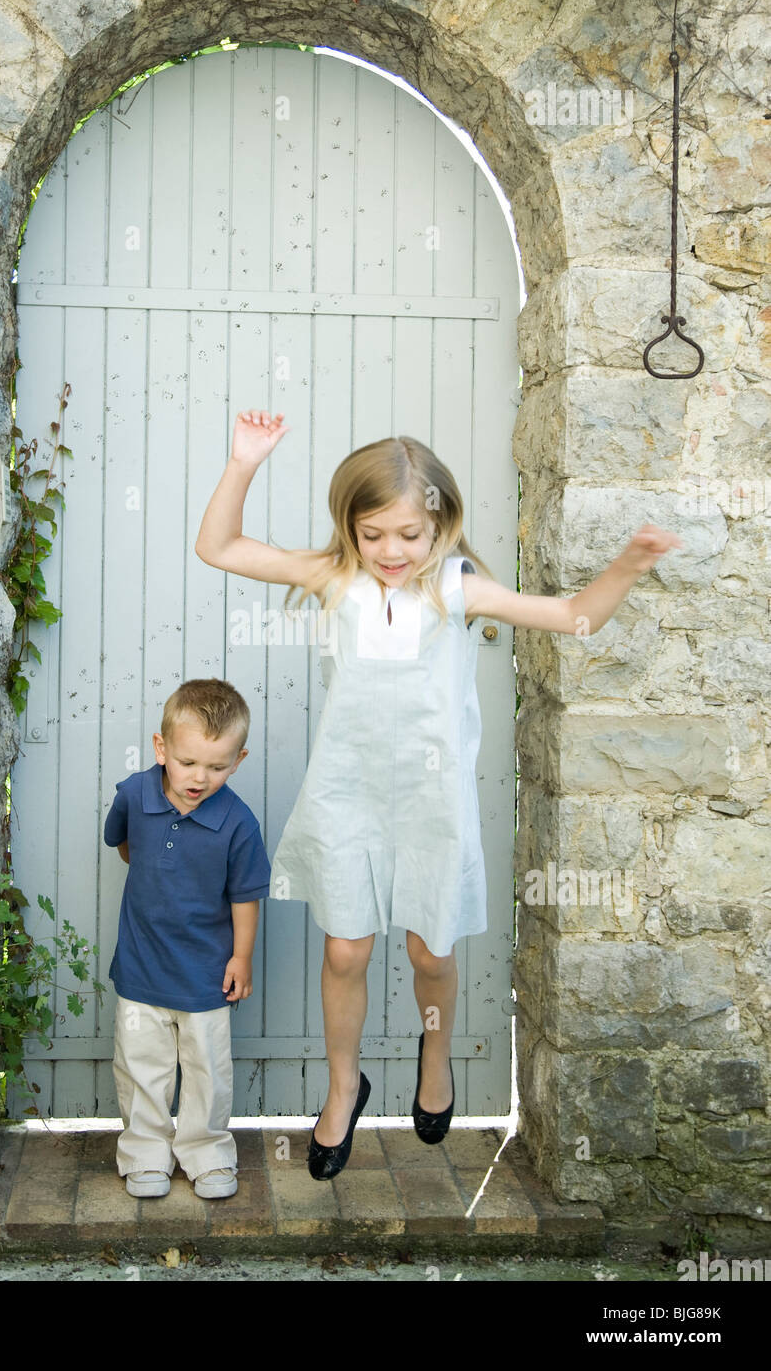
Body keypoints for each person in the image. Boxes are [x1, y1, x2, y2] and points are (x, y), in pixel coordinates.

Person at [195, 409, 682, 1180]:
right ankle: (343, 1084)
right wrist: (244, 461)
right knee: (347, 949)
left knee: (429, 950)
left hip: (430, 804)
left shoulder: (458, 590)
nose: (391, 551)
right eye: (373, 534)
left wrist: (626, 563)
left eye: (409, 535)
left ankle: (435, 1051)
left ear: (441, 527)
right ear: (351, 532)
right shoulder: (336, 579)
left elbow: (572, 617)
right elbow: (217, 546)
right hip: (349, 795)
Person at [103, 678, 271, 1199]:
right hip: (141, 968)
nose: (200, 778)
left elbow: (246, 896)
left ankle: (207, 1153)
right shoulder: (134, 793)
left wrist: (241, 957)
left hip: (205, 974)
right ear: (161, 748)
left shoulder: (238, 823)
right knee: (142, 1067)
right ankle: (145, 1153)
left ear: (238, 760)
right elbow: (125, 845)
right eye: (188, 763)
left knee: (207, 1072)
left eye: (217, 767)